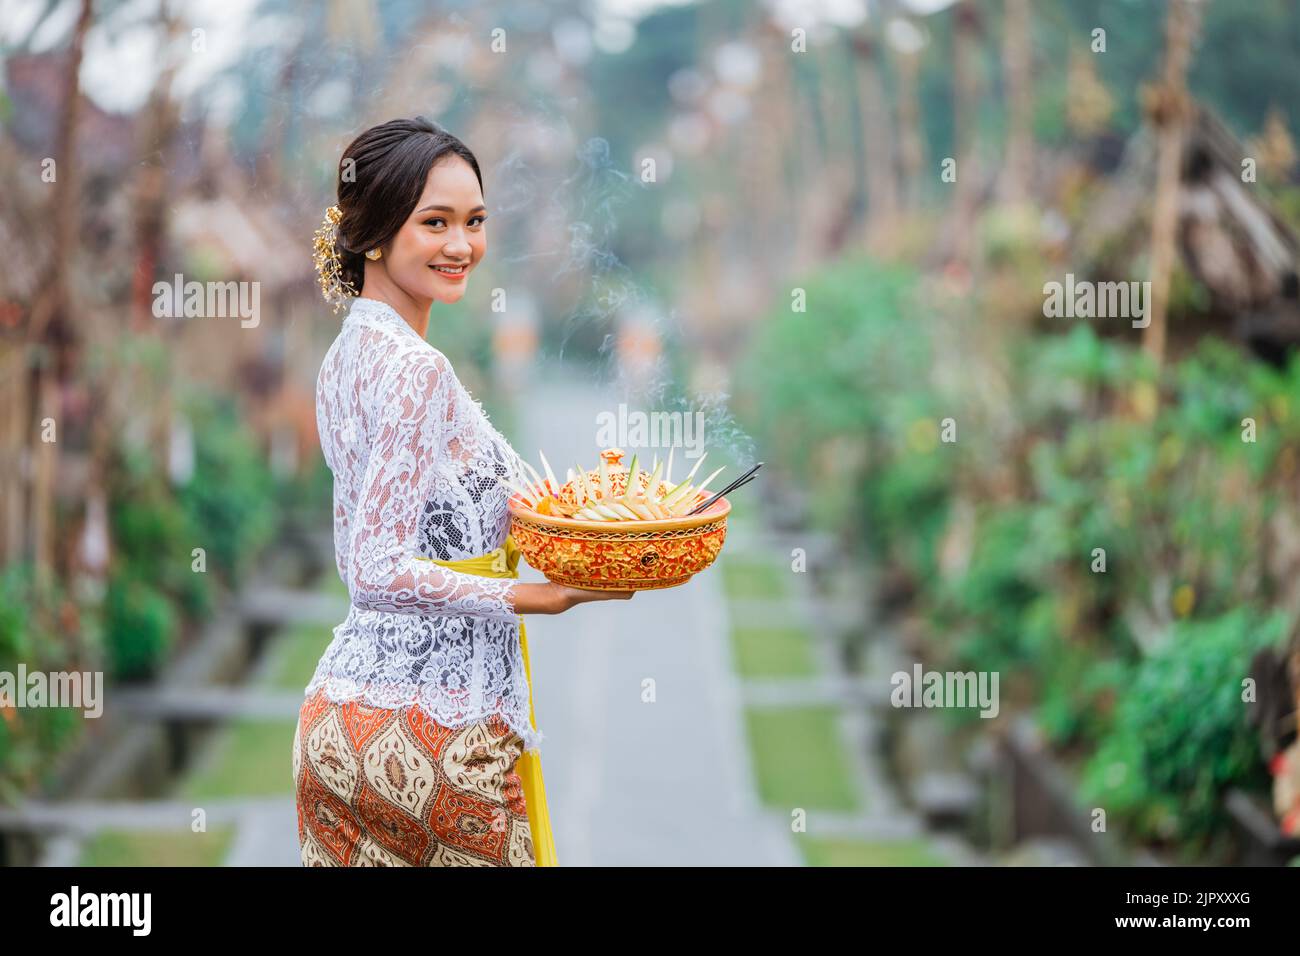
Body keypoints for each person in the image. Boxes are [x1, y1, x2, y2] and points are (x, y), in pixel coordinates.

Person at [295, 116, 633, 867]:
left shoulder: (347, 356)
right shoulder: (417, 372)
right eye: (435, 222)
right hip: (435, 744)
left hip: (336, 736)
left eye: (474, 222)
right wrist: (530, 597)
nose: (461, 245)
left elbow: (386, 547)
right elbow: (377, 566)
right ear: (374, 234)